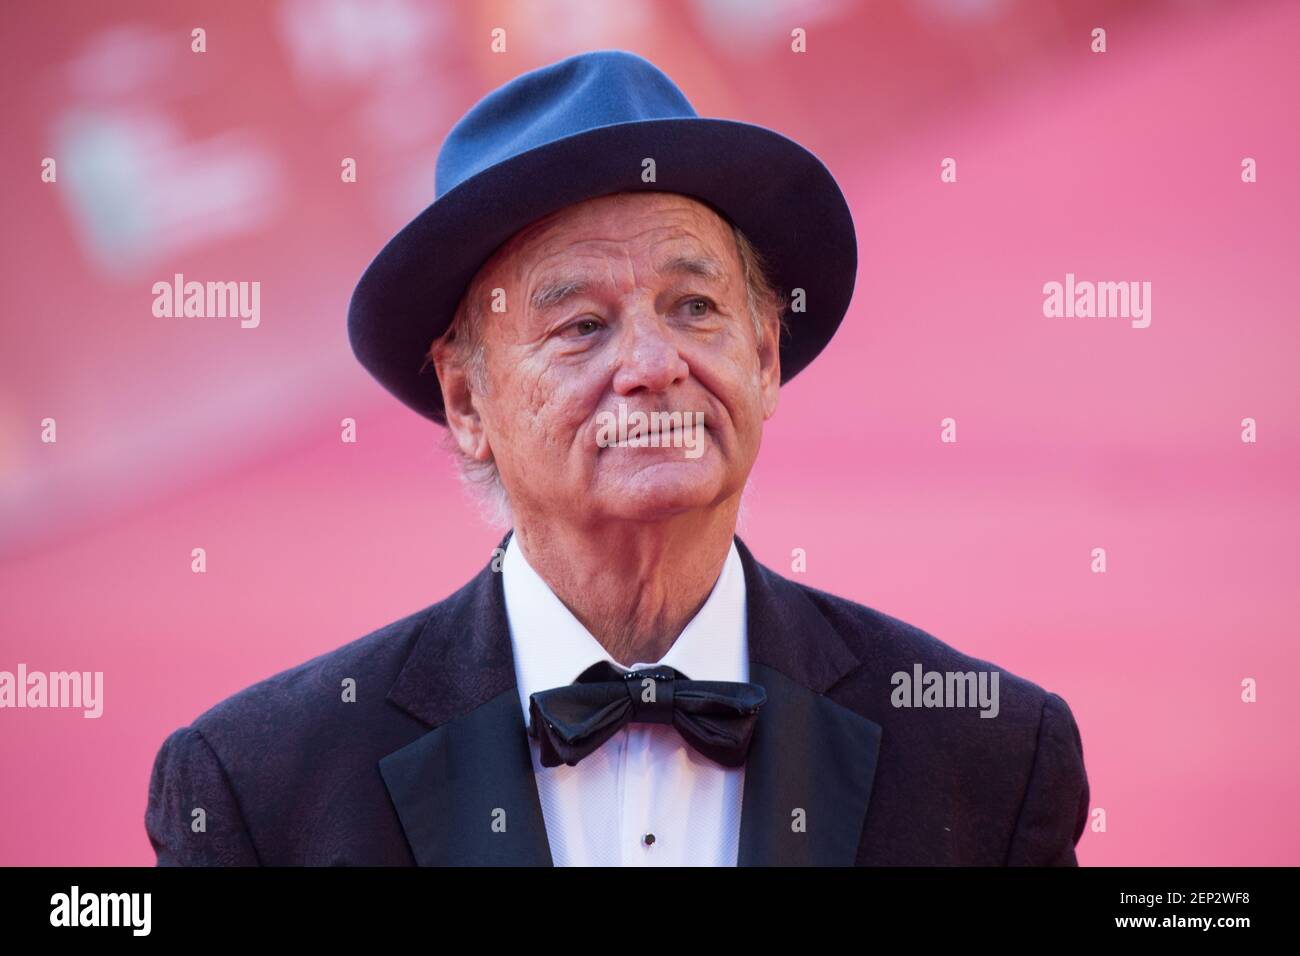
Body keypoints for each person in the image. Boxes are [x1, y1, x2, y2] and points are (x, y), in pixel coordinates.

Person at [146, 49, 1089, 866]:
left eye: (695, 308)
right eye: (582, 325)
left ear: (764, 356)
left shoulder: (984, 756)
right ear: (467, 401)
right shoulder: (263, 790)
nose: (651, 365)